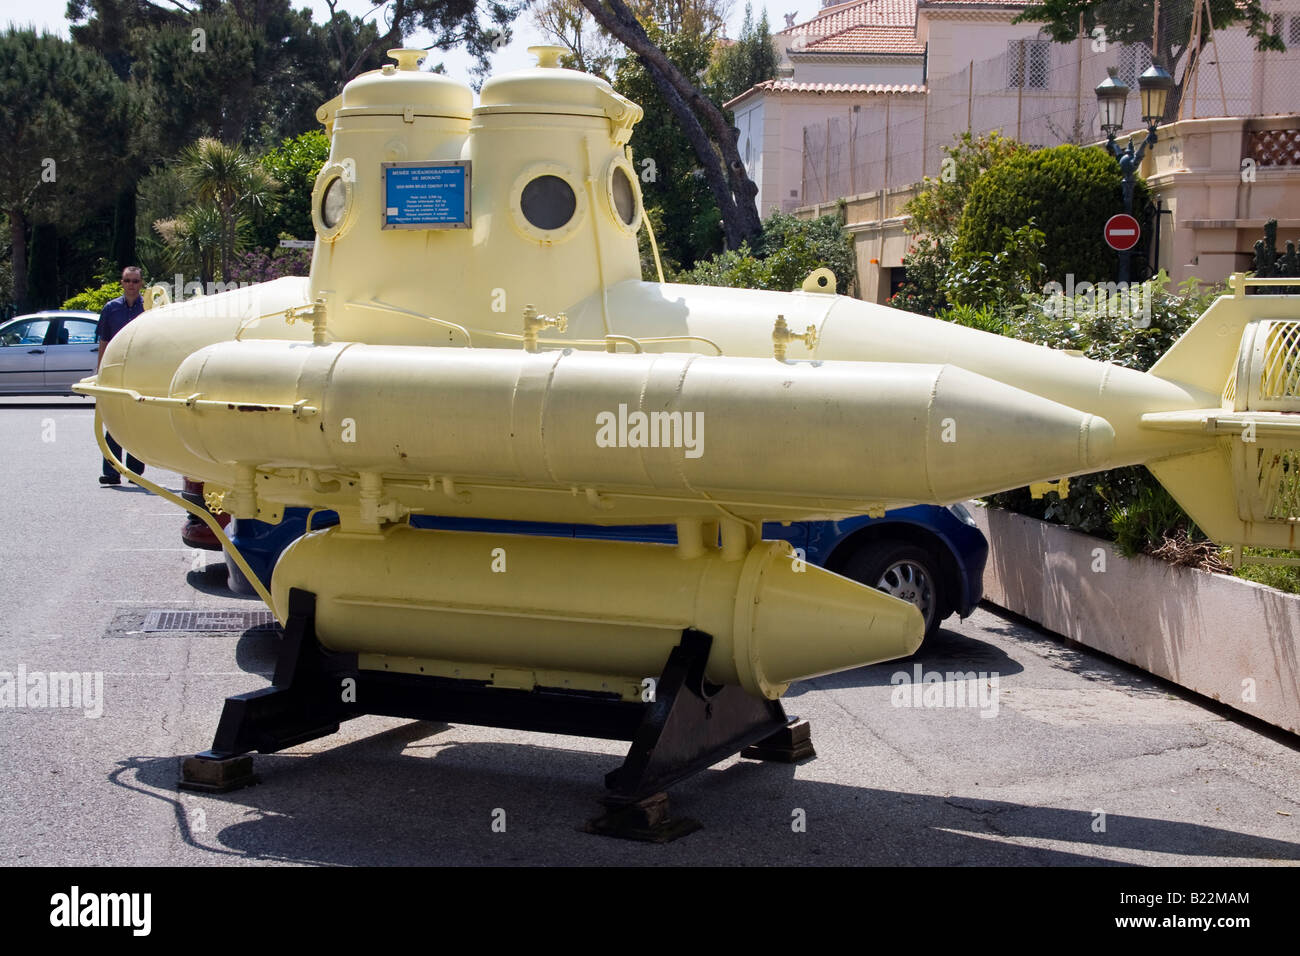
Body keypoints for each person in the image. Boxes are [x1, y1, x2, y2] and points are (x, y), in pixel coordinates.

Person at [97, 266, 146, 485]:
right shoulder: (111, 308)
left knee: (136, 422)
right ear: (122, 282)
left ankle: (134, 472)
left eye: (135, 281)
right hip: (116, 370)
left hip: (139, 370)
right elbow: (104, 341)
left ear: (141, 283)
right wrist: (100, 371)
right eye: (127, 280)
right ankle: (112, 471)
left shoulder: (149, 308)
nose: (131, 285)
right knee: (114, 422)